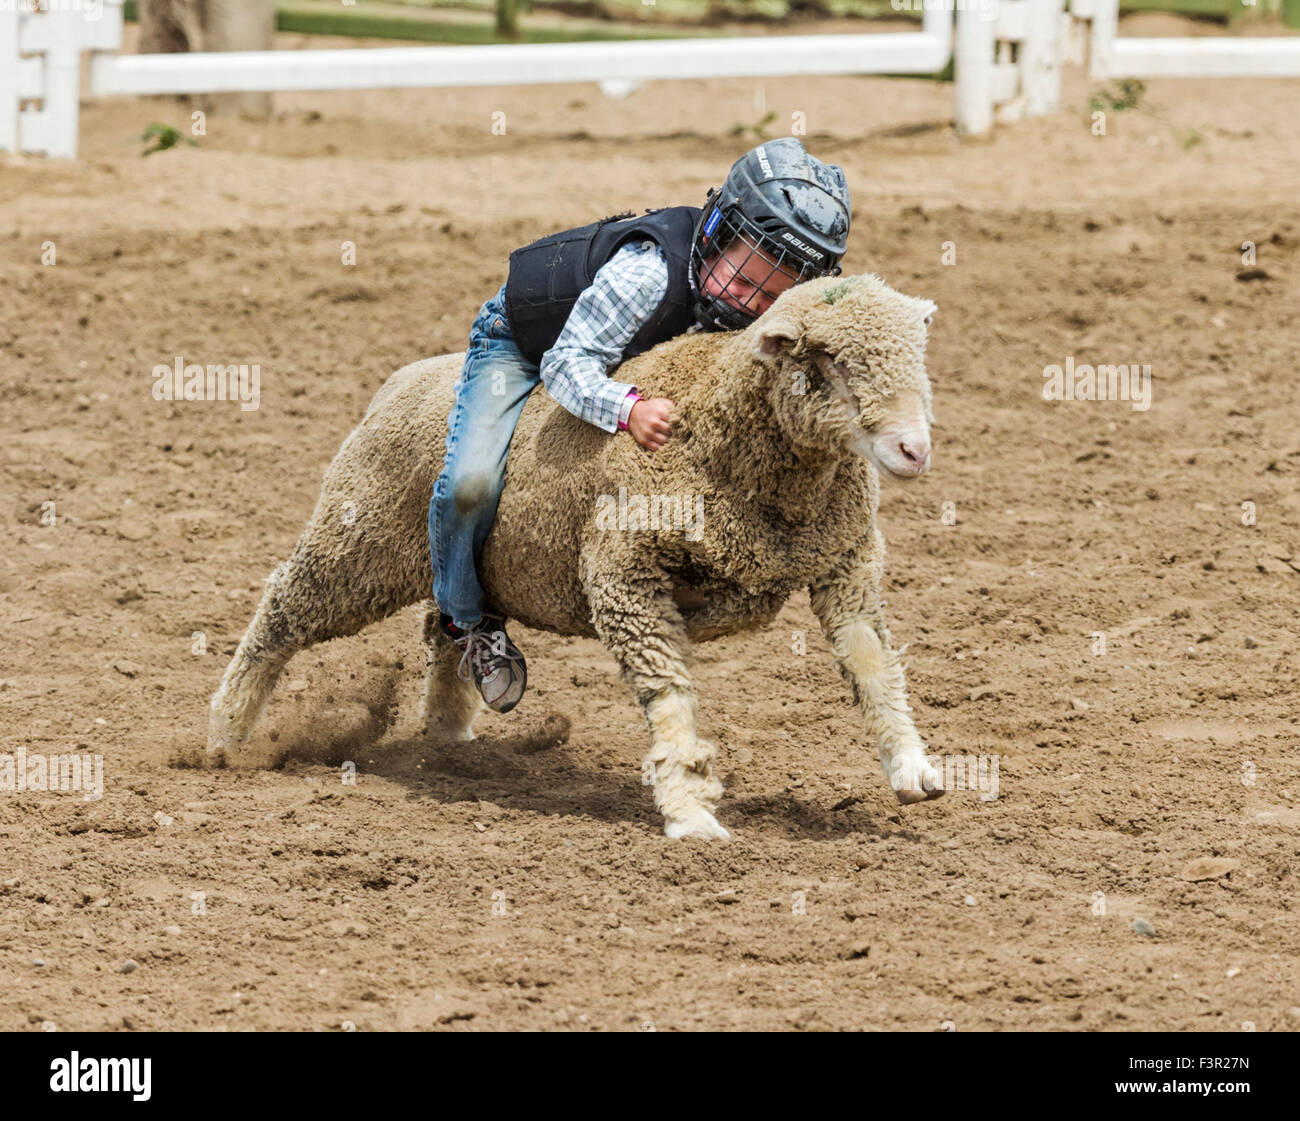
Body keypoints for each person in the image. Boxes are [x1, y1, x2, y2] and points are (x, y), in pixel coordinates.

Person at [428, 137, 852, 712]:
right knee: (470, 484)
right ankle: (465, 619)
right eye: (745, 282)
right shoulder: (647, 277)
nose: (749, 306)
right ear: (716, 234)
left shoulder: (745, 307)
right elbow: (566, 363)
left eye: (771, 299)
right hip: (531, 344)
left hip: (621, 350)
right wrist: (627, 407)